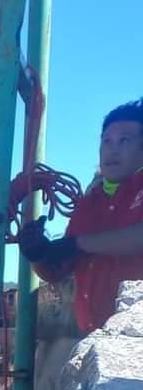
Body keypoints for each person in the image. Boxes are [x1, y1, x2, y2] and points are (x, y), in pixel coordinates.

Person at [20, 99, 143, 334]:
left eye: (124, 141)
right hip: (93, 336)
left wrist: (77, 244)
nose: (112, 149)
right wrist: (39, 254)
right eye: (106, 141)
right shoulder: (90, 202)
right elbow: (60, 269)